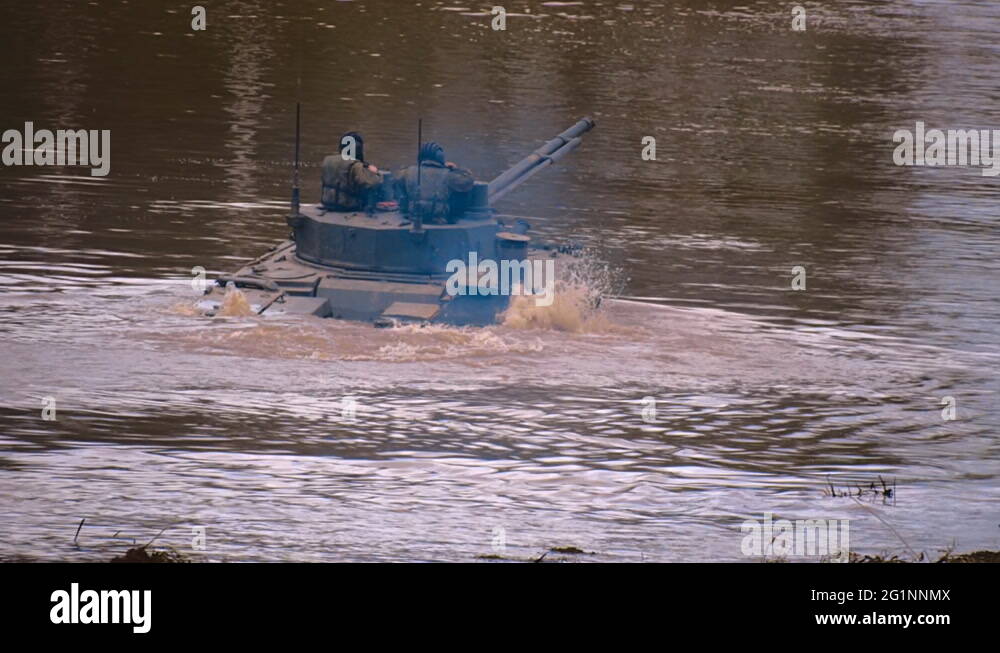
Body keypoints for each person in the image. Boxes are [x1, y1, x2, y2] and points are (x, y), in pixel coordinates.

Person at [396, 141, 475, 223]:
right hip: (438, 221)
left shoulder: (407, 172)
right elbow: (468, 182)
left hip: (414, 219)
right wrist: (456, 169)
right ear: (441, 158)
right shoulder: (449, 175)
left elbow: (398, 182)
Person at [320, 131, 383, 211]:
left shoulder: (327, 160)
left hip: (327, 203)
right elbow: (370, 184)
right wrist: (375, 173)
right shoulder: (356, 165)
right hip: (347, 206)